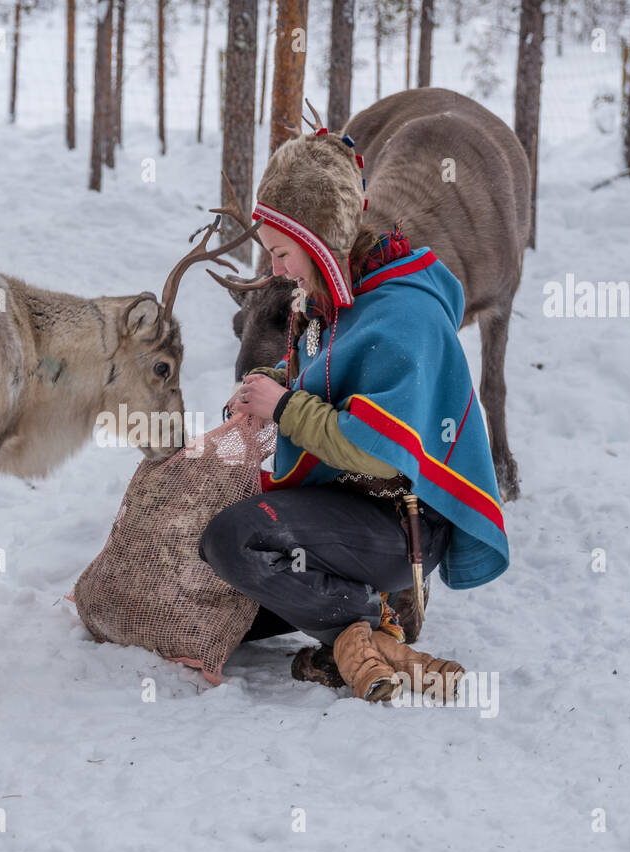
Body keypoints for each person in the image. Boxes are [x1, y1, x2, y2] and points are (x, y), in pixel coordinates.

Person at [197, 123, 511, 702]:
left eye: (282, 252)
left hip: (399, 525)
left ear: (317, 240)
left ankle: (370, 620)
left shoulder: (405, 312)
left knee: (233, 540)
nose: (279, 269)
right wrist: (271, 385)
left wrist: (285, 407)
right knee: (225, 613)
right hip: (348, 506)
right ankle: (366, 637)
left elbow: (376, 449)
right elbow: (329, 377)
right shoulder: (341, 296)